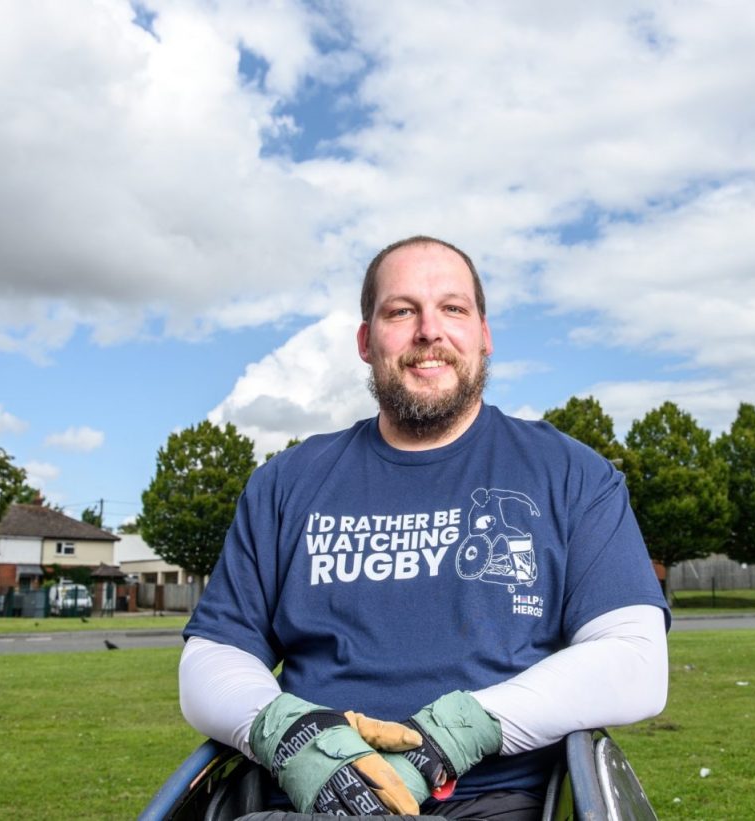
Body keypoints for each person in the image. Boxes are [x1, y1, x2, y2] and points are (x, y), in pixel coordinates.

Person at [179, 236, 670, 820]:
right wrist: (293, 736)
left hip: (496, 800)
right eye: (401, 310)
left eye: (453, 309)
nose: (428, 331)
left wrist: (456, 735)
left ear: (484, 335)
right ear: (366, 341)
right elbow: (212, 656)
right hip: (305, 802)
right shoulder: (286, 483)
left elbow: (635, 658)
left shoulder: (572, 475)